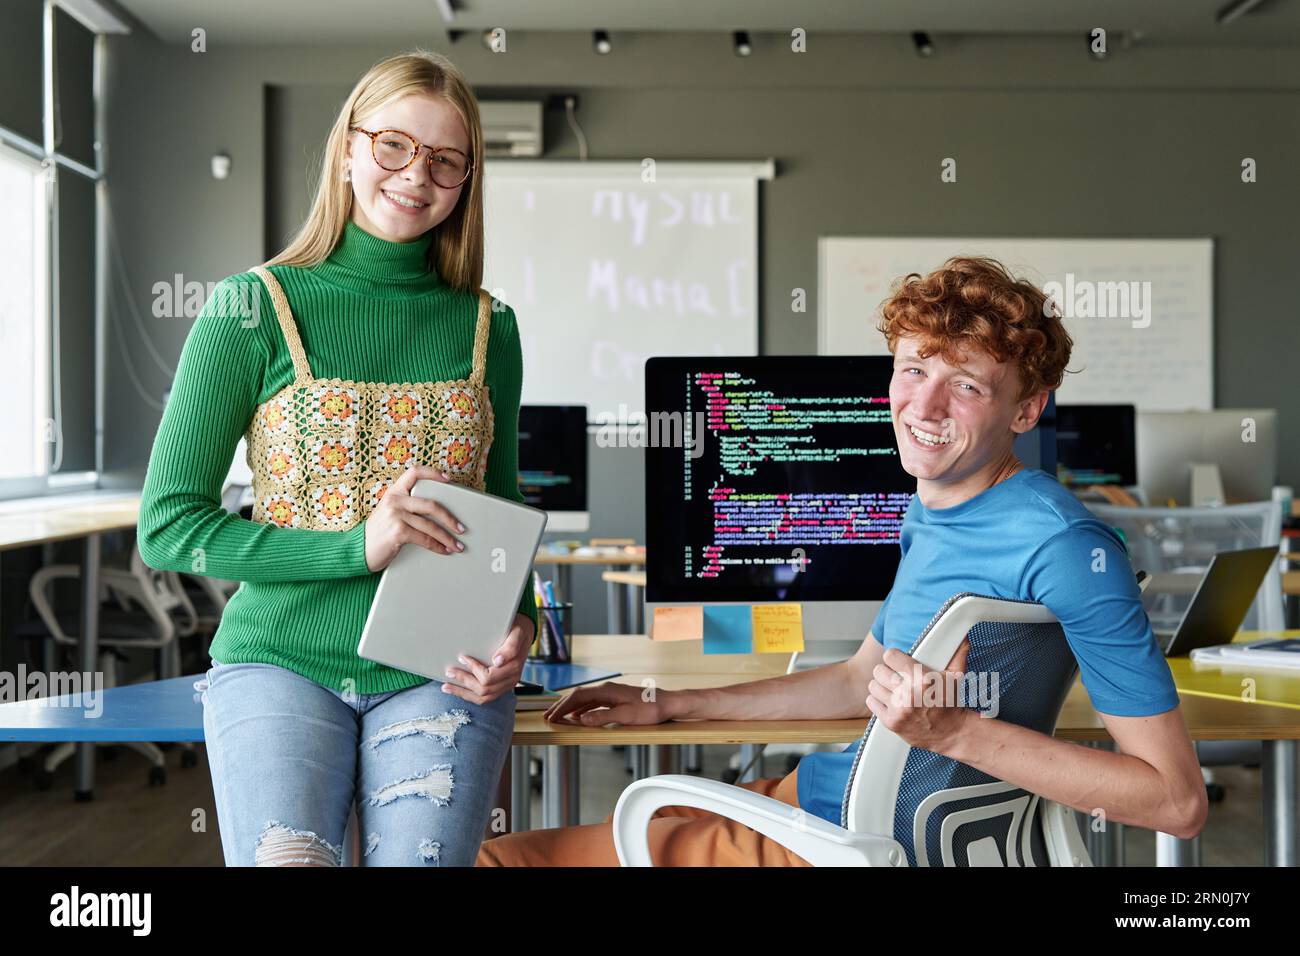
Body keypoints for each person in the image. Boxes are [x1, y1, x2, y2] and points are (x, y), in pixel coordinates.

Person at [477, 255, 1207, 866]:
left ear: (1027, 409)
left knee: (492, 857)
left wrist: (955, 733)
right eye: (914, 368)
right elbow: (865, 679)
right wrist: (672, 703)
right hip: (817, 798)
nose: (923, 405)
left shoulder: (1066, 547)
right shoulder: (939, 505)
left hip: (837, 842)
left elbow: (1176, 801)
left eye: (967, 385)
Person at [138, 50, 537, 867]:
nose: (416, 175)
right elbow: (168, 527)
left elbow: (503, 503)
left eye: (445, 160)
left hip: (441, 668)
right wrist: (356, 548)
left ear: (467, 180)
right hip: (279, 660)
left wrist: (520, 624)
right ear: (349, 150)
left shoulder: (491, 328)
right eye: (393, 145)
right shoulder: (250, 307)